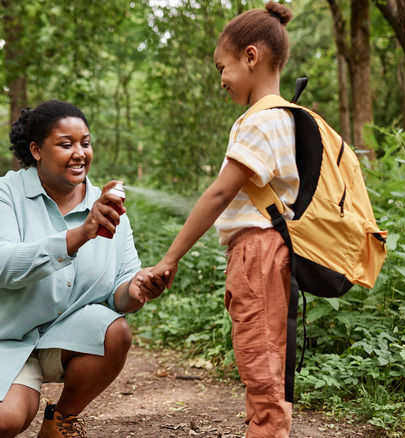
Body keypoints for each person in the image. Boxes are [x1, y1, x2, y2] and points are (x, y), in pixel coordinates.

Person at [0, 99, 166, 438]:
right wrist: (80, 234)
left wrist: (136, 288)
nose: (80, 153)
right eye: (66, 144)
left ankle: (59, 423)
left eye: (85, 143)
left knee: (116, 332)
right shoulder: (3, 194)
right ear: (36, 150)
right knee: (2, 422)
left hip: (61, 335)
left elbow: (120, 291)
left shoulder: (109, 209)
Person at [148, 3, 297, 437]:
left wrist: (170, 258)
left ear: (251, 57)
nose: (221, 80)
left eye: (222, 67)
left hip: (257, 251)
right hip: (275, 249)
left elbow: (218, 194)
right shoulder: (289, 117)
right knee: (266, 355)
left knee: (260, 358)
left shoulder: (259, 122)